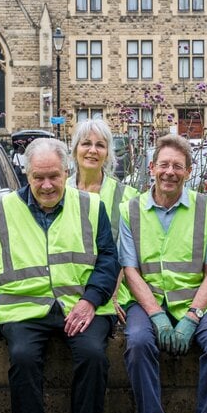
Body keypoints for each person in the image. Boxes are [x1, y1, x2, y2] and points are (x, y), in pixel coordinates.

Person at [0, 138, 118, 413]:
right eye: (38, 177)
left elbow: (108, 258)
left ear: (67, 172)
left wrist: (91, 299)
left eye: (54, 177)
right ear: (26, 174)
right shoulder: (0, 210)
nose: (46, 185)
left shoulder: (90, 205)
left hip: (82, 304)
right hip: (25, 307)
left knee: (93, 357)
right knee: (23, 359)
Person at [119, 134, 207, 413]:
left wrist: (191, 317)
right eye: (164, 165)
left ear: (189, 172)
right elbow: (130, 270)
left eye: (177, 167)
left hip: (196, 302)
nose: (170, 172)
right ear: (151, 169)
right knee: (137, 343)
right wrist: (155, 314)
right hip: (146, 300)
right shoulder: (130, 209)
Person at [67, 118, 139, 319]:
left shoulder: (128, 197)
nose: (92, 150)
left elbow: (127, 254)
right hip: (67, 291)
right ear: (75, 150)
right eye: (86, 143)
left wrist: (112, 295)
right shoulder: (59, 192)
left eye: (100, 145)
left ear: (108, 153)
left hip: (111, 291)